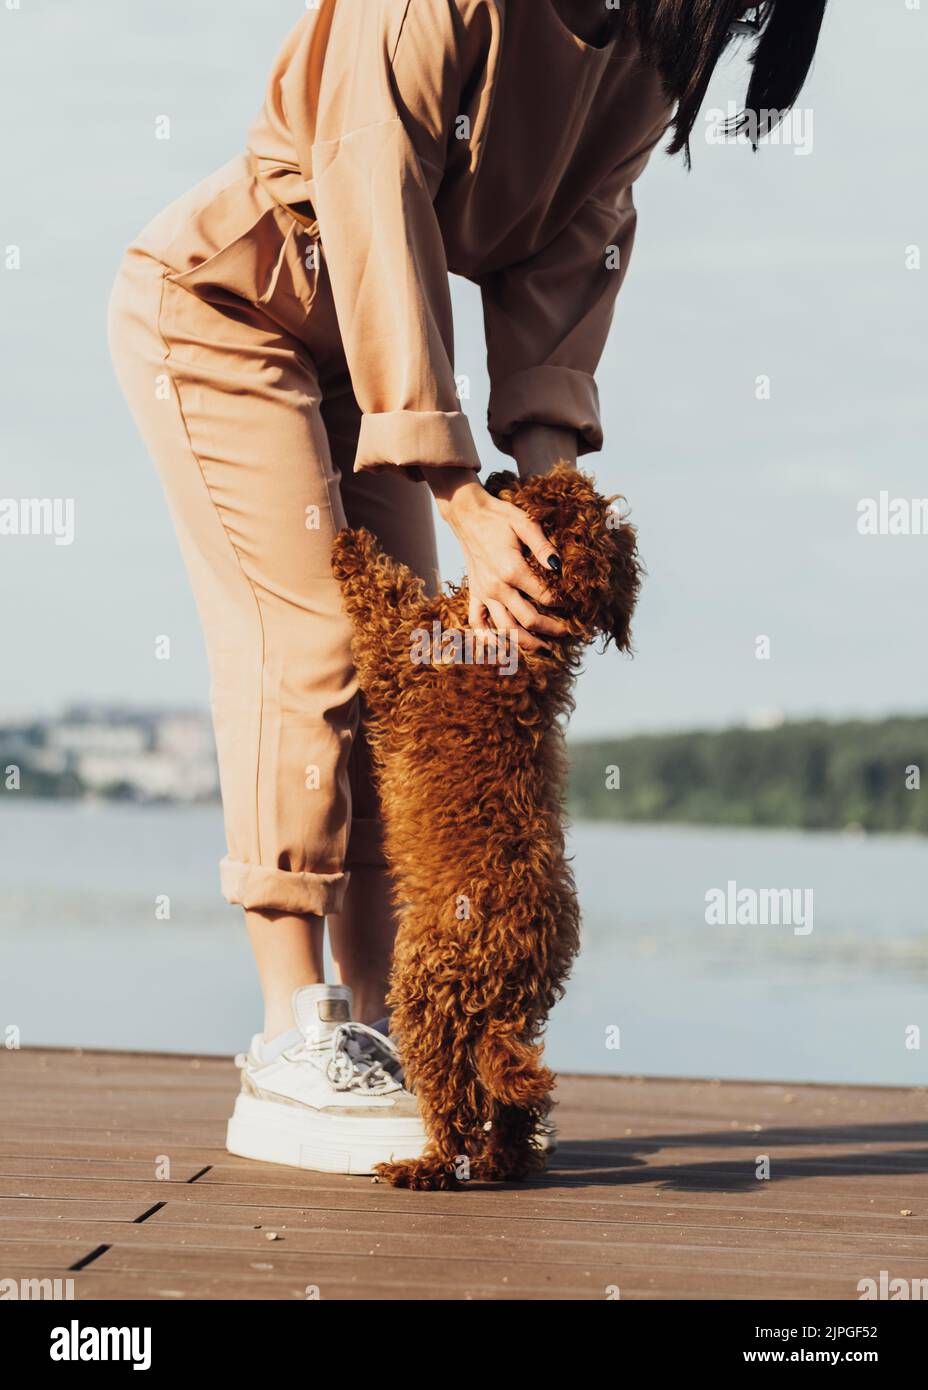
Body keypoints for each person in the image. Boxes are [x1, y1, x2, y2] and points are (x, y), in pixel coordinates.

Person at [107, 0, 828, 1173]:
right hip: (231, 314)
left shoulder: (654, 55)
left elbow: (575, 238)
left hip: (383, 375)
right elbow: (367, 179)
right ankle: (292, 1032)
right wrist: (455, 493)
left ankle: (386, 1028)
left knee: (424, 689)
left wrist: (539, 503)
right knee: (325, 650)